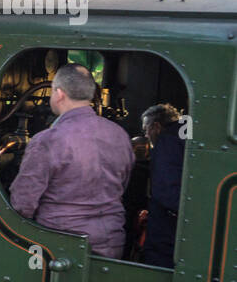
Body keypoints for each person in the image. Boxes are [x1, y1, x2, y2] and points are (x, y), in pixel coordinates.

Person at [9, 63, 135, 257]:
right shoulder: (119, 135)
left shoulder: (47, 140)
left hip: (60, 244)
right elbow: (122, 184)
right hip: (111, 241)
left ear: (59, 94)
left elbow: (22, 204)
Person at [140, 104, 185, 268]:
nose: (145, 135)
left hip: (166, 229)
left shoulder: (167, 143)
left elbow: (166, 190)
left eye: (146, 129)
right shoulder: (183, 136)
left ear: (156, 126)